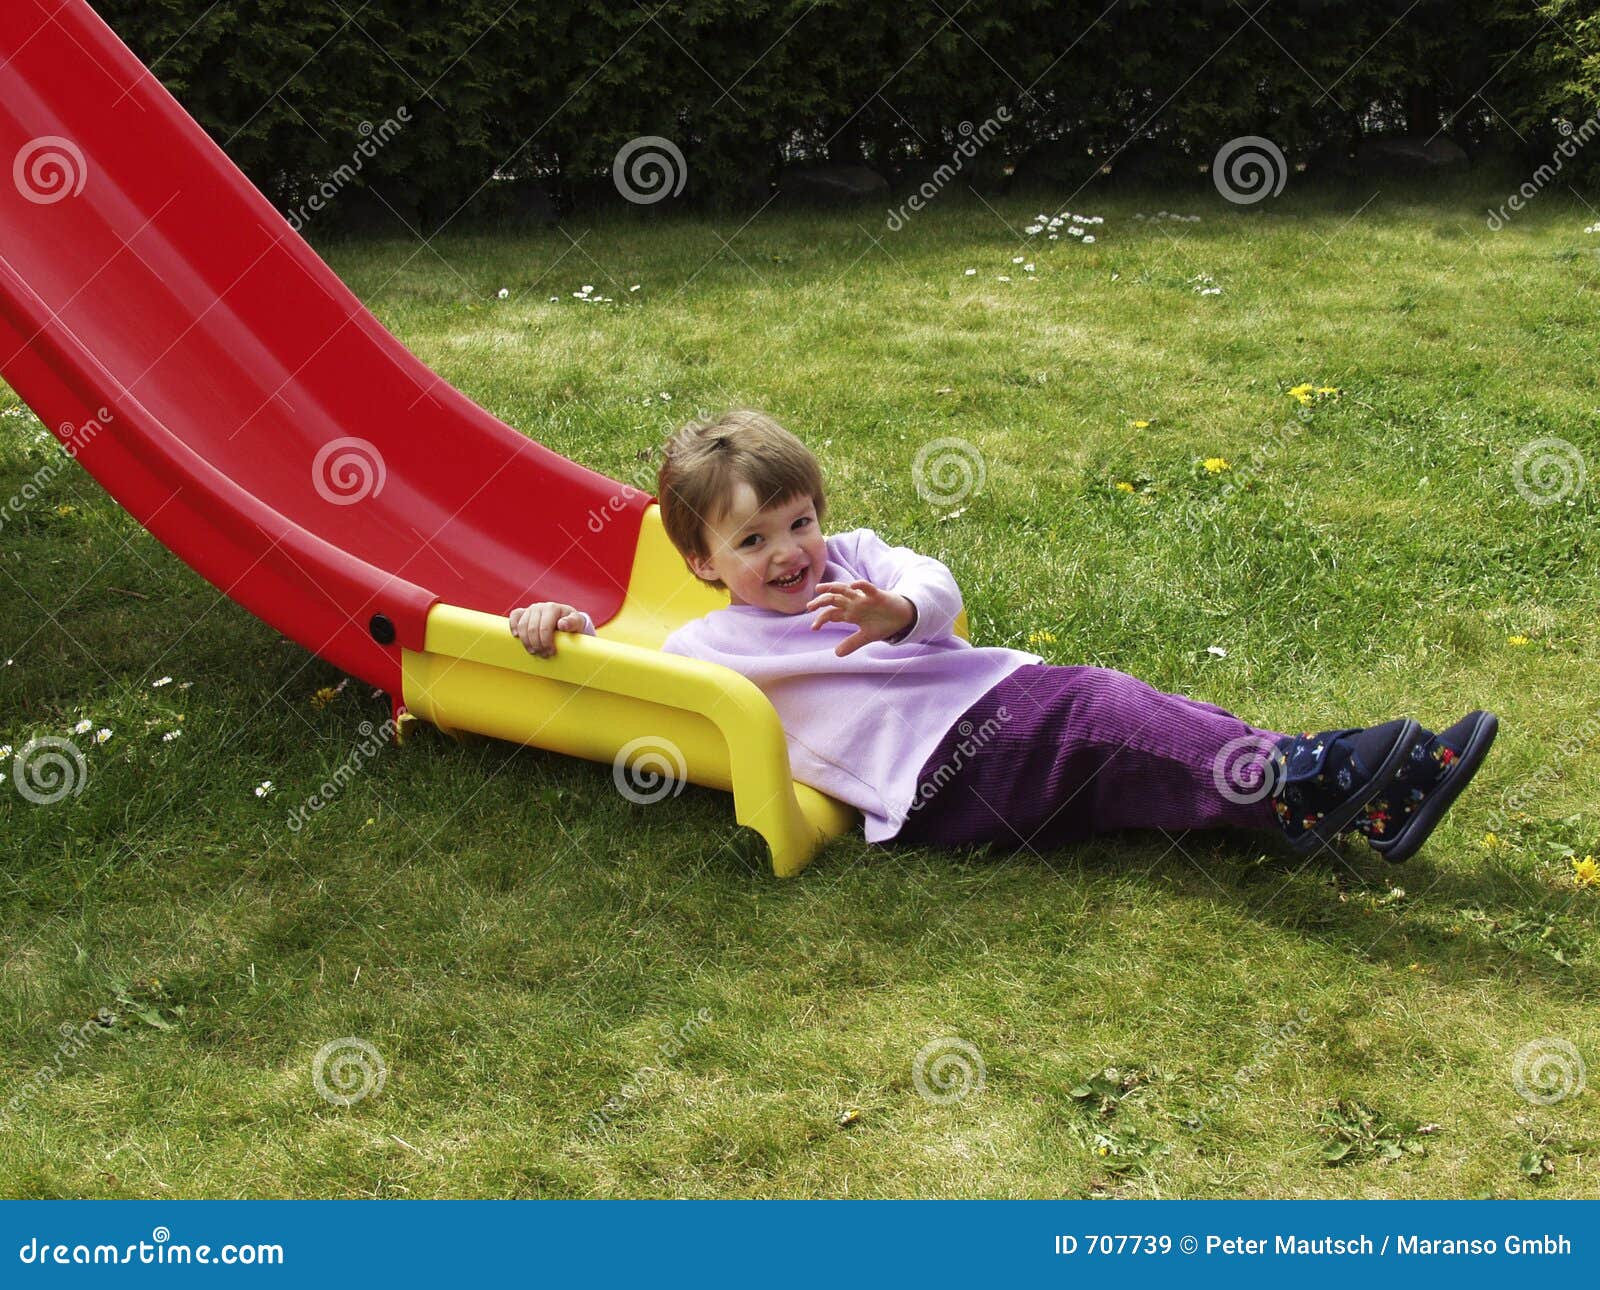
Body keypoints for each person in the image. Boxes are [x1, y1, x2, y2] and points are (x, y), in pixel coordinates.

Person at [508, 410, 1496, 863]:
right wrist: (560, 626)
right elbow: (634, 689)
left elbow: (932, 583)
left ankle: (1334, 802)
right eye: (753, 540)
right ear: (703, 562)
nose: (790, 553)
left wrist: (893, 612)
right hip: (940, 773)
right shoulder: (709, 648)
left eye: (799, 521)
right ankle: (1305, 774)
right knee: (1110, 717)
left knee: (1148, 727)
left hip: (993, 704)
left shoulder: (854, 557)